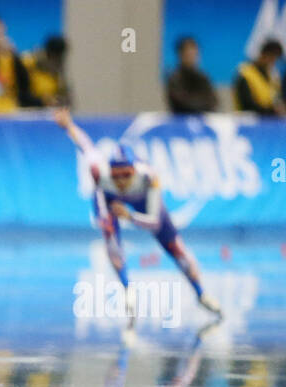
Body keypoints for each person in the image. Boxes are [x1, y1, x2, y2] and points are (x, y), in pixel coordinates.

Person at [54, 108, 222, 337]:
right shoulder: (99, 172)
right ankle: (126, 286)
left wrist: (130, 217)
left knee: (175, 247)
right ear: (110, 172)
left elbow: (153, 222)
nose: (122, 180)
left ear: (135, 171)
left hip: (144, 203)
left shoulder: (149, 177)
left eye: (127, 174)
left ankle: (201, 293)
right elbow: (85, 146)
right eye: (117, 175)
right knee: (110, 235)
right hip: (109, 200)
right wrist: (68, 126)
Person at [234, 38, 286, 116]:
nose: (273, 62)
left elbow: (277, 99)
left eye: (275, 58)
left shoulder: (273, 77)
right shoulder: (245, 74)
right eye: (271, 57)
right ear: (263, 54)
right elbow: (247, 106)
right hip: (248, 122)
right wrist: (272, 111)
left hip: (269, 121)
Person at [166, 36, 218, 114]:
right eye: (188, 53)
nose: (192, 56)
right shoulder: (174, 78)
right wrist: (201, 102)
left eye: (194, 53)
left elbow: (213, 101)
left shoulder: (202, 77)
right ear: (180, 54)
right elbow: (181, 103)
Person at [22, 35, 70, 107]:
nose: (58, 62)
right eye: (56, 59)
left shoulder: (57, 72)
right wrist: (44, 101)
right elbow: (21, 95)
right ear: (49, 54)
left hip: (48, 112)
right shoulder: (28, 63)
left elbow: (66, 98)